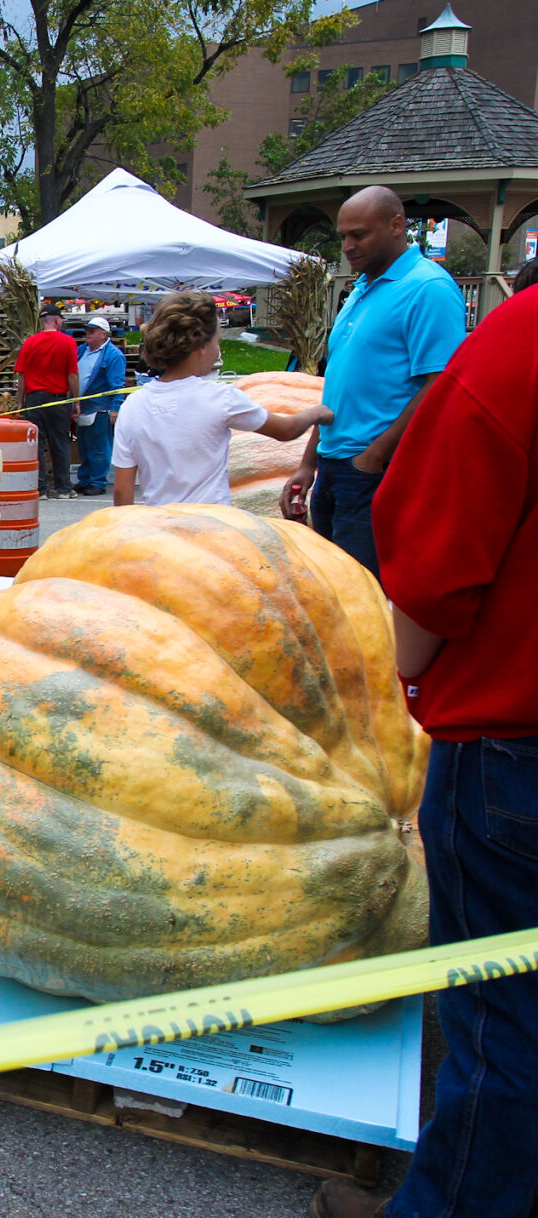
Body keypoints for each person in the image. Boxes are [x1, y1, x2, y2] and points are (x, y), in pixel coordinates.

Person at [310, 268, 538, 1218]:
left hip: (514, 737)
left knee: (504, 1016)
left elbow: (438, 571)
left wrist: (401, 684)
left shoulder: (517, 347)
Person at [278, 185, 464, 579]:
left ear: (396, 225)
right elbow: (338, 389)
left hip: (378, 472)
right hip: (335, 468)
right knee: (336, 589)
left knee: (365, 593)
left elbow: (442, 386)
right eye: (343, 236)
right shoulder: (360, 289)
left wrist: (373, 457)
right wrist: (309, 464)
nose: (347, 246)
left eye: (358, 235)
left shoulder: (427, 288)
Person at [111, 292, 330, 508]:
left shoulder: (132, 405)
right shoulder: (221, 398)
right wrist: (318, 413)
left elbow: (122, 492)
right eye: (217, 342)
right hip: (214, 522)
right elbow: (286, 430)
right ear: (201, 347)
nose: (218, 351)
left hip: (160, 526)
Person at [14, 304, 79, 498]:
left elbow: (22, 376)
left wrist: (20, 402)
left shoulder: (30, 343)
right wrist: (76, 400)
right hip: (58, 399)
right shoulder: (67, 342)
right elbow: (72, 375)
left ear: (43, 321)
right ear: (57, 320)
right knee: (61, 443)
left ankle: (40, 489)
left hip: (34, 399)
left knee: (37, 445)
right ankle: (64, 488)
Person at [71, 316, 126, 496]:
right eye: (87, 330)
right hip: (83, 406)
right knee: (84, 446)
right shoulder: (82, 350)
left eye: (92, 331)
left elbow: (117, 384)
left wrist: (115, 408)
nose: (88, 334)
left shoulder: (114, 355)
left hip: (100, 407)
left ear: (103, 334)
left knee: (99, 447)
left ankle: (98, 481)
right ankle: (85, 479)